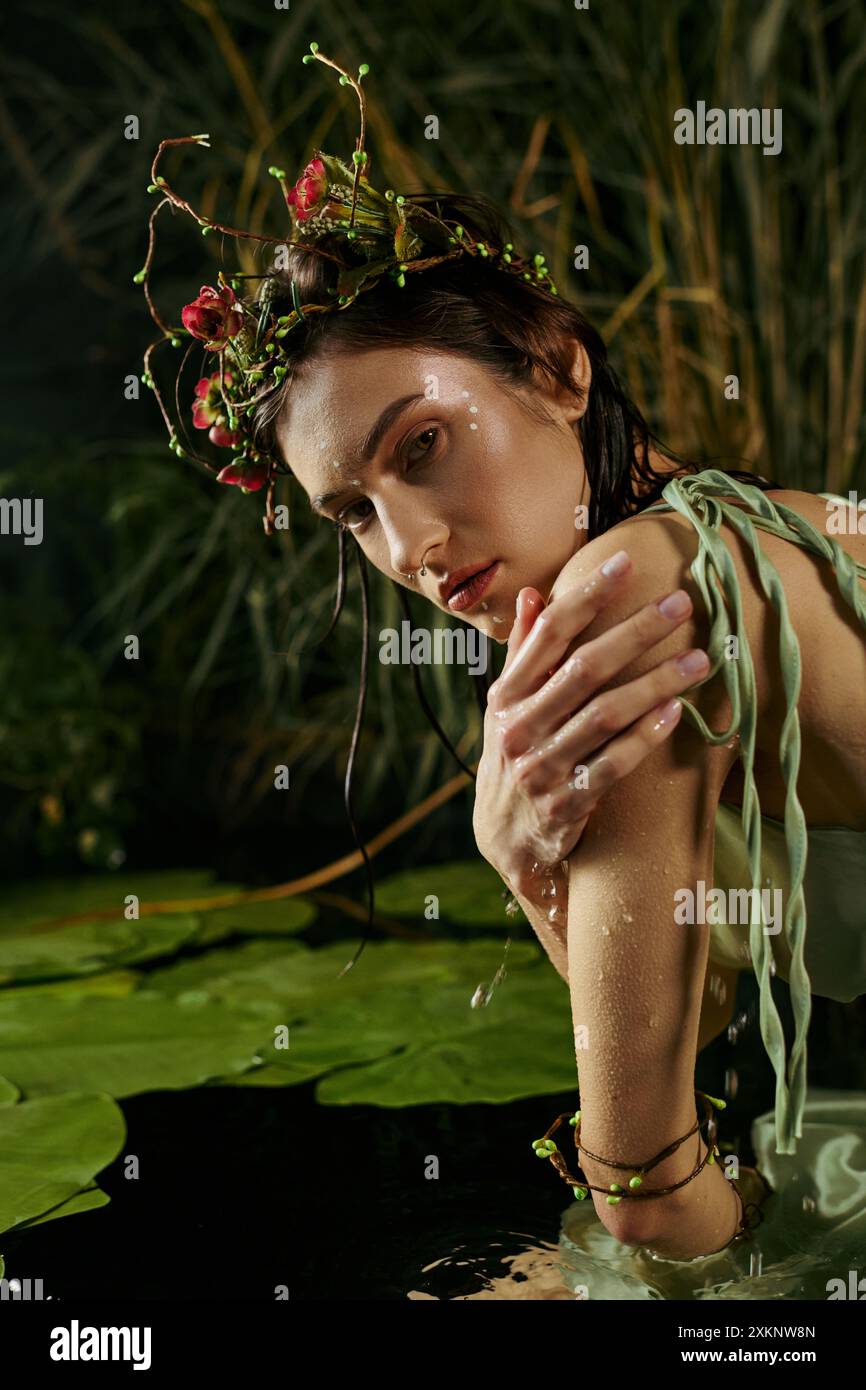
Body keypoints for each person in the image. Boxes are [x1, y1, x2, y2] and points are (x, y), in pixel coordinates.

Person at [141, 46, 866, 1264]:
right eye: (354, 513)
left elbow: (645, 1195)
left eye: (421, 445)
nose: (411, 547)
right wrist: (516, 858)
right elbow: (697, 1035)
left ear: (557, 365)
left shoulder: (628, 591)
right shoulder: (776, 525)